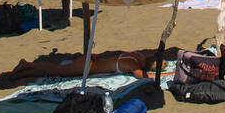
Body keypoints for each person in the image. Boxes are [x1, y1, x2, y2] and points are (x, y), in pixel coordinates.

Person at [8, 50, 146, 80]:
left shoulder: (131, 55)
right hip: (88, 67)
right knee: (57, 71)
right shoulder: (132, 63)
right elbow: (144, 76)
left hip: (91, 61)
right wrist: (166, 74)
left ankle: (27, 66)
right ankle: (26, 68)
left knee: (58, 69)